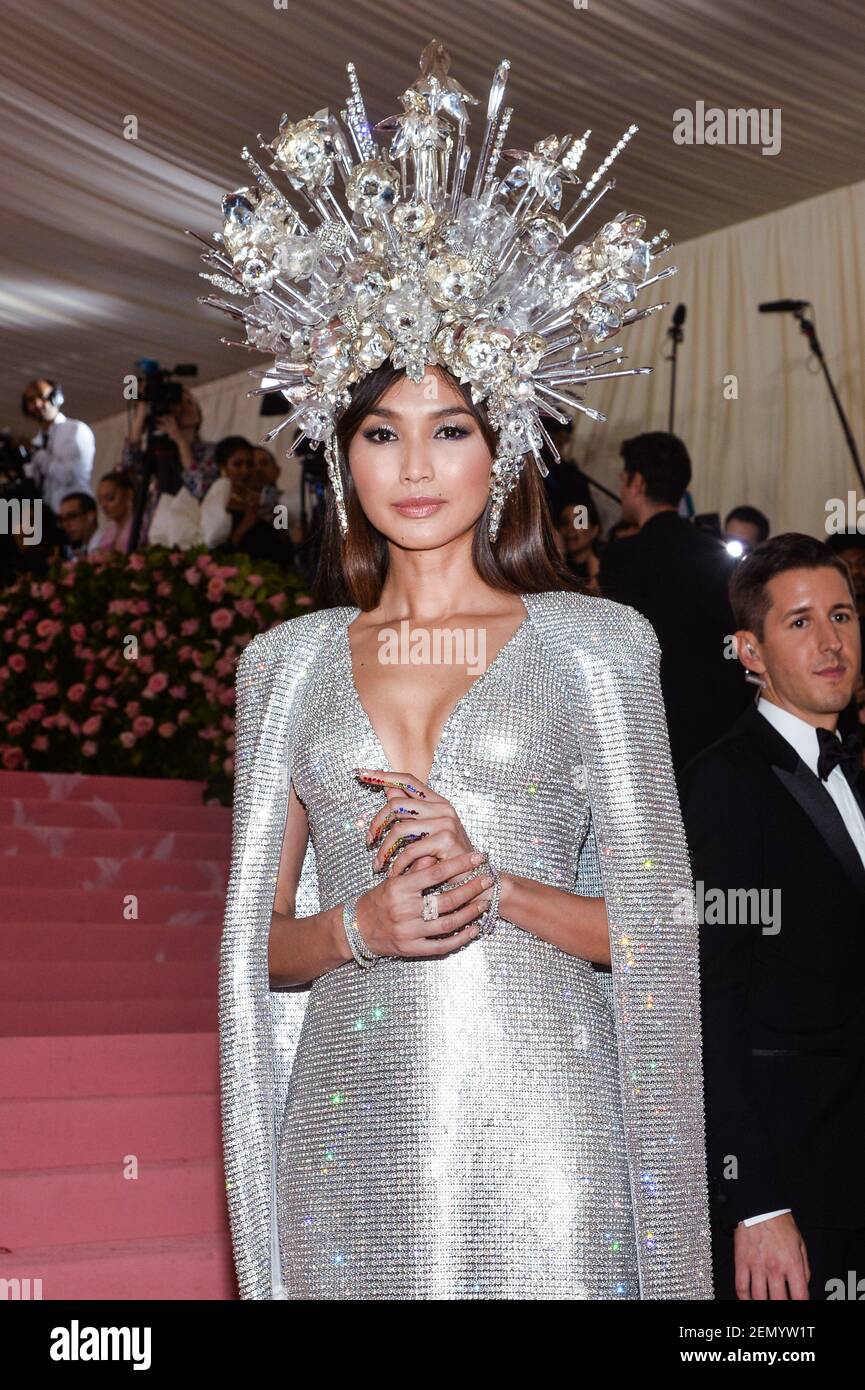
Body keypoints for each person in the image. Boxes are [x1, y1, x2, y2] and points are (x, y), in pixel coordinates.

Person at [215, 39, 710, 1302]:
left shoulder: (599, 646)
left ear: (505, 452)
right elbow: (251, 949)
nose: (415, 464)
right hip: (344, 1119)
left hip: (550, 1127)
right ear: (342, 456)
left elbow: (655, 931)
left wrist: (499, 892)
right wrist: (356, 927)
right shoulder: (282, 664)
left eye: (450, 429)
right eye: (381, 432)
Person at [679, 534, 865, 1300]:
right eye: (798, 623)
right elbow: (709, 1002)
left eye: (842, 615)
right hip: (793, 1177)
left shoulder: (851, 762)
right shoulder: (722, 783)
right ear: (748, 652)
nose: (829, 642)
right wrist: (755, 1201)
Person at [599, 432, 751, 771]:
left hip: (650, 734)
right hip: (720, 729)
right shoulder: (716, 552)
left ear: (637, 482)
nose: (622, 489)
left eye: (623, 480)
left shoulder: (620, 557)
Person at [120, 385, 219, 538]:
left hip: (193, 531)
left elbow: (199, 487)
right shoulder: (160, 452)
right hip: (158, 529)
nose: (185, 407)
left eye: (190, 403)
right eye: (179, 404)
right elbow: (129, 463)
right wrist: (142, 409)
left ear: (199, 415)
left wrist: (180, 441)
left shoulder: (211, 451)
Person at [200, 436, 293, 566]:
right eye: (237, 464)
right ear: (223, 468)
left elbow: (285, 542)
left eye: (249, 464)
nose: (245, 470)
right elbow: (213, 552)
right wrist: (244, 526)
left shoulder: (267, 502)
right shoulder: (215, 505)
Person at [21, 379, 95, 517]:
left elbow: (68, 476)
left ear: (56, 397)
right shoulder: (36, 442)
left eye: (41, 396)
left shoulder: (75, 429)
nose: (37, 404)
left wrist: (37, 454)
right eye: (30, 400)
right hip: (49, 518)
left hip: (75, 515)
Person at [91, 470, 145, 554]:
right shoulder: (108, 530)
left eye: (110, 498)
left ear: (129, 494)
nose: (104, 506)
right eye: (100, 501)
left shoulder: (141, 524)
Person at [56, 492, 101, 560]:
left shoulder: (106, 545)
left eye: (72, 516)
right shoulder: (81, 550)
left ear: (91, 516)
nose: (65, 525)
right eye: (62, 520)